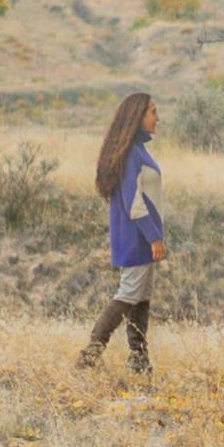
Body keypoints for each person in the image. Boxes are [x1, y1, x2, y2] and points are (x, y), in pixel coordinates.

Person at [80, 91, 166, 372]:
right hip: (136, 238)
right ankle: (91, 353)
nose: (157, 118)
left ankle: (139, 360)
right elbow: (134, 203)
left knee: (141, 297)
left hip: (141, 237)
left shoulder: (137, 150)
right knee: (129, 294)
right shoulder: (132, 154)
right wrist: (154, 237)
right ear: (137, 116)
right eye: (153, 112)